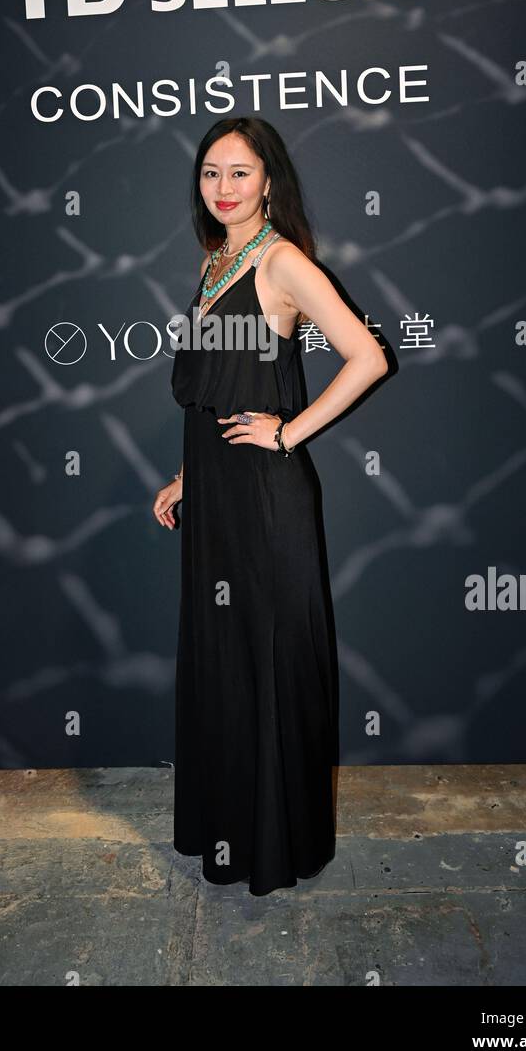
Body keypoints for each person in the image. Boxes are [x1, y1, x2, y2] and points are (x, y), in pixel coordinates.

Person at [153, 116, 389, 896]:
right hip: (217, 498)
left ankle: (276, 845)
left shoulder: (282, 262)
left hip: (264, 501)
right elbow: (218, 389)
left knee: (268, 665)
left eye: (240, 173)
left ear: (269, 181)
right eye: (210, 172)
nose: (222, 188)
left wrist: (289, 432)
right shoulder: (215, 258)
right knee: (226, 668)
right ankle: (227, 832)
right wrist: (190, 479)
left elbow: (367, 356)